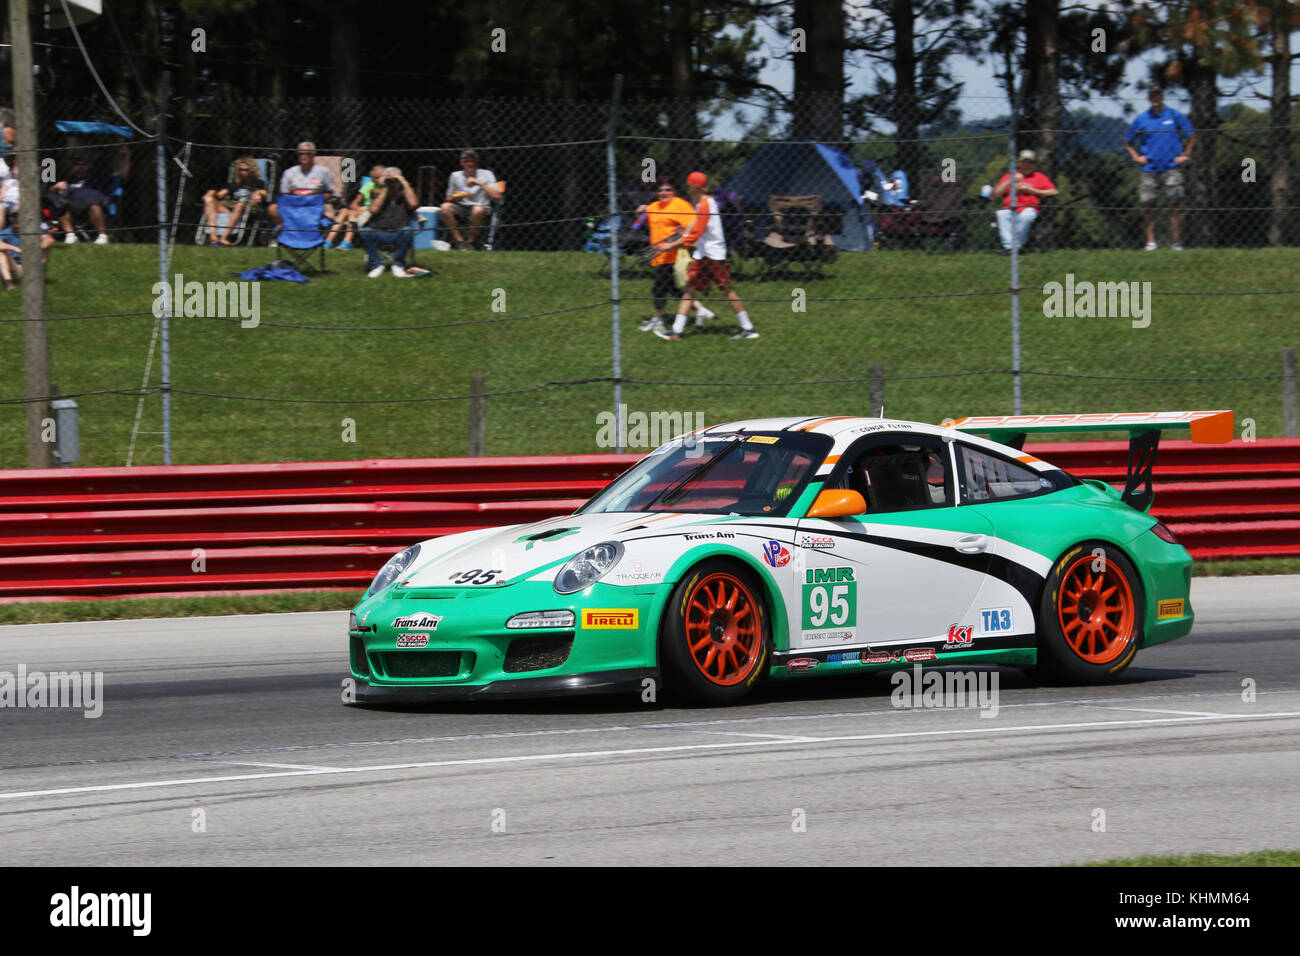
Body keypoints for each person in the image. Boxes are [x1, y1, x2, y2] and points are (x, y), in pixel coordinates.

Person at [655, 171, 757, 341]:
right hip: (703, 255)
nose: (687, 189)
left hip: (713, 255)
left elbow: (695, 235)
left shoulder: (705, 204)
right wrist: (682, 231)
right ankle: (676, 332)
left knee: (727, 291)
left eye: (688, 186)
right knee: (688, 289)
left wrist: (670, 245)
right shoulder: (701, 203)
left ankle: (748, 328)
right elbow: (696, 226)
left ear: (694, 187)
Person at [636, 177, 714, 333]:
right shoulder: (654, 206)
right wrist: (640, 212)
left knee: (659, 287)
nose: (664, 193)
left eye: (668, 189)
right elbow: (641, 223)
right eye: (660, 190)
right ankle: (701, 310)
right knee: (673, 287)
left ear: (674, 191)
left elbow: (693, 225)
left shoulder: (680, 205)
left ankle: (657, 319)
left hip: (673, 253)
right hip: (658, 254)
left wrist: (677, 235)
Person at [1124, 84, 1196, 251]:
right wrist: (1135, 157)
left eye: (1158, 95)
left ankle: (1176, 242)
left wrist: (1185, 154)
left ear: (1162, 97)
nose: (1155, 99)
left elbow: (1191, 134)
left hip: (1172, 167)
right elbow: (1127, 139)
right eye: (1152, 96)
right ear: (1149, 98)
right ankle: (1151, 242)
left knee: (1175, 204)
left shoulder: (1174, 115)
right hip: (1150, 168)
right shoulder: (1142, 119)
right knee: (1149, 205)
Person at [358, 166, 429, 278]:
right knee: (366, 232)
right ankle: (376, 265)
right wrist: (386, 188)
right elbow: (373, 210)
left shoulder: (405, 194)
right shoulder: (378, 193)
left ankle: (398, 265)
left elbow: (414, 204)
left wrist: (403, 182)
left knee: (407, 231)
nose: (392, 183)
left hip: (399, 232)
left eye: (395, 181)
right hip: (379, 231)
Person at [992, 149, 1057, 253]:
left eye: (1030, 162)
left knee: (1026, 216)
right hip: (1010, 208)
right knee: (1001, 214)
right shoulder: (1009, 176)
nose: (1027, 165)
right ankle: (1010, 247)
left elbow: (1053, 191)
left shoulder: (1039, 176)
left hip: (1029, 207)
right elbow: (994, 195)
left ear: (1034, 164)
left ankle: (1014, 247)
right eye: (1024, 162)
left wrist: (1032, 191)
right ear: (1019, 163)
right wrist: (1011, 180)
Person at [267, 141, 335, 238]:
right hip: (294, 204)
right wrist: (297, 196)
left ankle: (315, 236)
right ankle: (285, 232)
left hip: (315, 204)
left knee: (329, 212)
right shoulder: (289, 172)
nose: (304, 156)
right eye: (301, 154)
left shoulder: (323, 171)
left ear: (313, 155)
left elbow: (329, 192)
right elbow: (284, 193)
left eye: (308, 153)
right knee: (272, 208)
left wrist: (313, 197)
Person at [440, 149, 503, 250]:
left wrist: (479, 183)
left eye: (472, 161)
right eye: (466, 161)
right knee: (445, 207)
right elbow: (448, 198)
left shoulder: (487, 174)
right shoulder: (455, 176)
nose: (470, 164)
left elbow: (497, 196)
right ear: (461, 163)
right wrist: (456, 196)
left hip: (481, 207)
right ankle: (459, 241)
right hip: (461, 206)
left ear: (477, 162)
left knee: (477, 210)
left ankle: (470, 242)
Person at [201, 156, 268, 245]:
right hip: (230, 207)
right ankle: (213, 235)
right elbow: (221, 194)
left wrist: (258, 193)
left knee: (239, 205)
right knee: (208, 199)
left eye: (245, 170)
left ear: (252, 170)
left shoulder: (258, 183)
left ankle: (224, 237)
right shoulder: (234, 184)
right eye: (240, 170)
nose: (242, 172)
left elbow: (265, 192)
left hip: (247, 207)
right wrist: (212, 193)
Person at [50, 153, 115, 244]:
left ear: (90, 165)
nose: (79, 166)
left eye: (83, 164)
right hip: (73, 205)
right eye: (77, 164)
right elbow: (50, 194)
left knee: (93, 204)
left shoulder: (97, 176)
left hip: (92, 203)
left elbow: (121, 175)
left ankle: (102, 236)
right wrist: (56, 187)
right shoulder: (71, 180)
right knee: (60, 205)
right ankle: (71, 235)